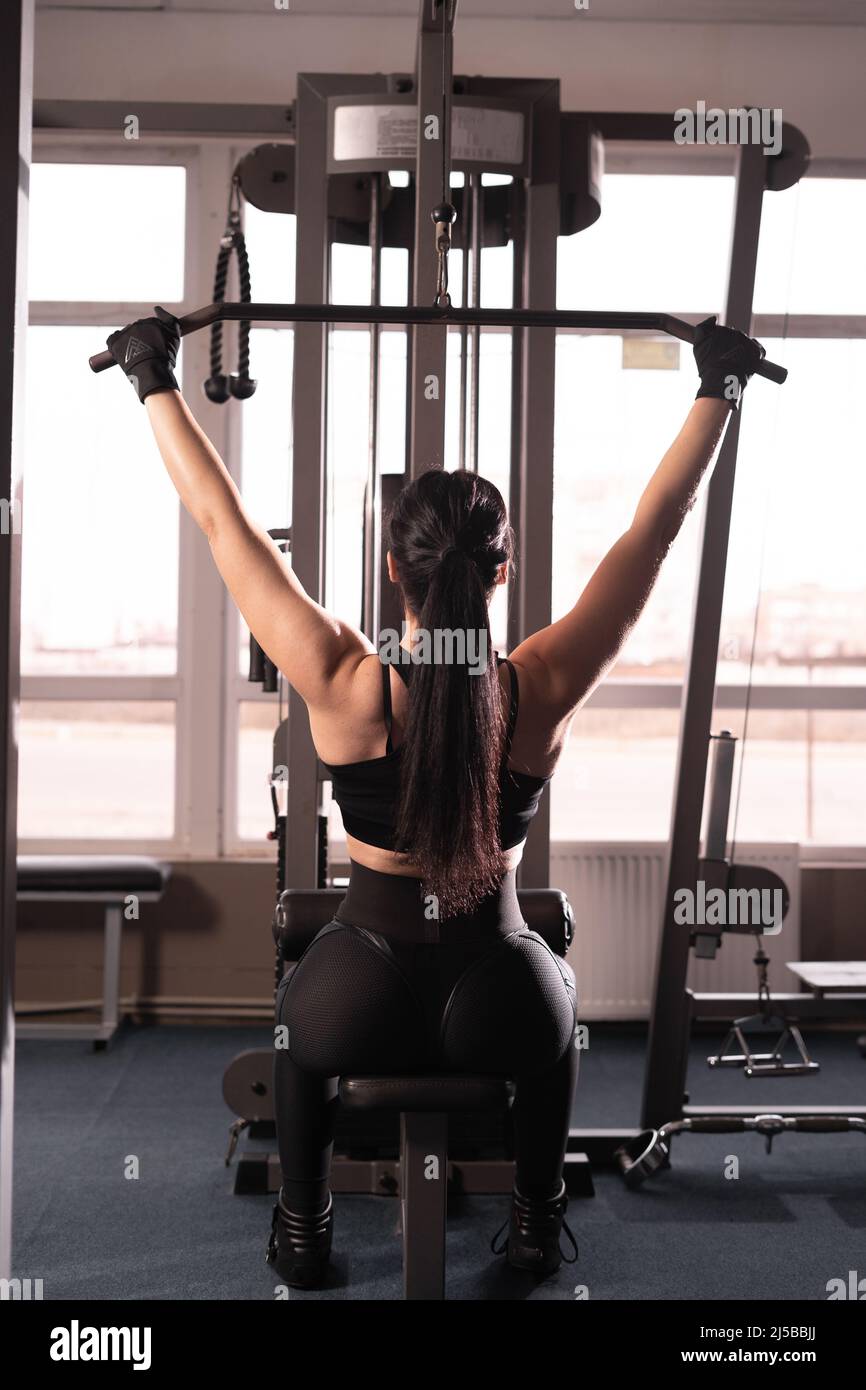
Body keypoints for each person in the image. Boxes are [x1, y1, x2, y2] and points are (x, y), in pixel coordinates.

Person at [106, 309, 766, 1289]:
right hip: (498, 992)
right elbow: (654, 530)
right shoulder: (537, 684)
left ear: (391, 569)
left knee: (296, 1028)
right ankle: (537, 1227)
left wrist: (151, 379)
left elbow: (221, 522)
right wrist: (717, 391)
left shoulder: (343, 677)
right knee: (558, 1009)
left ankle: (303, 1228)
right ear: (499, 571)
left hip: (355, 994)